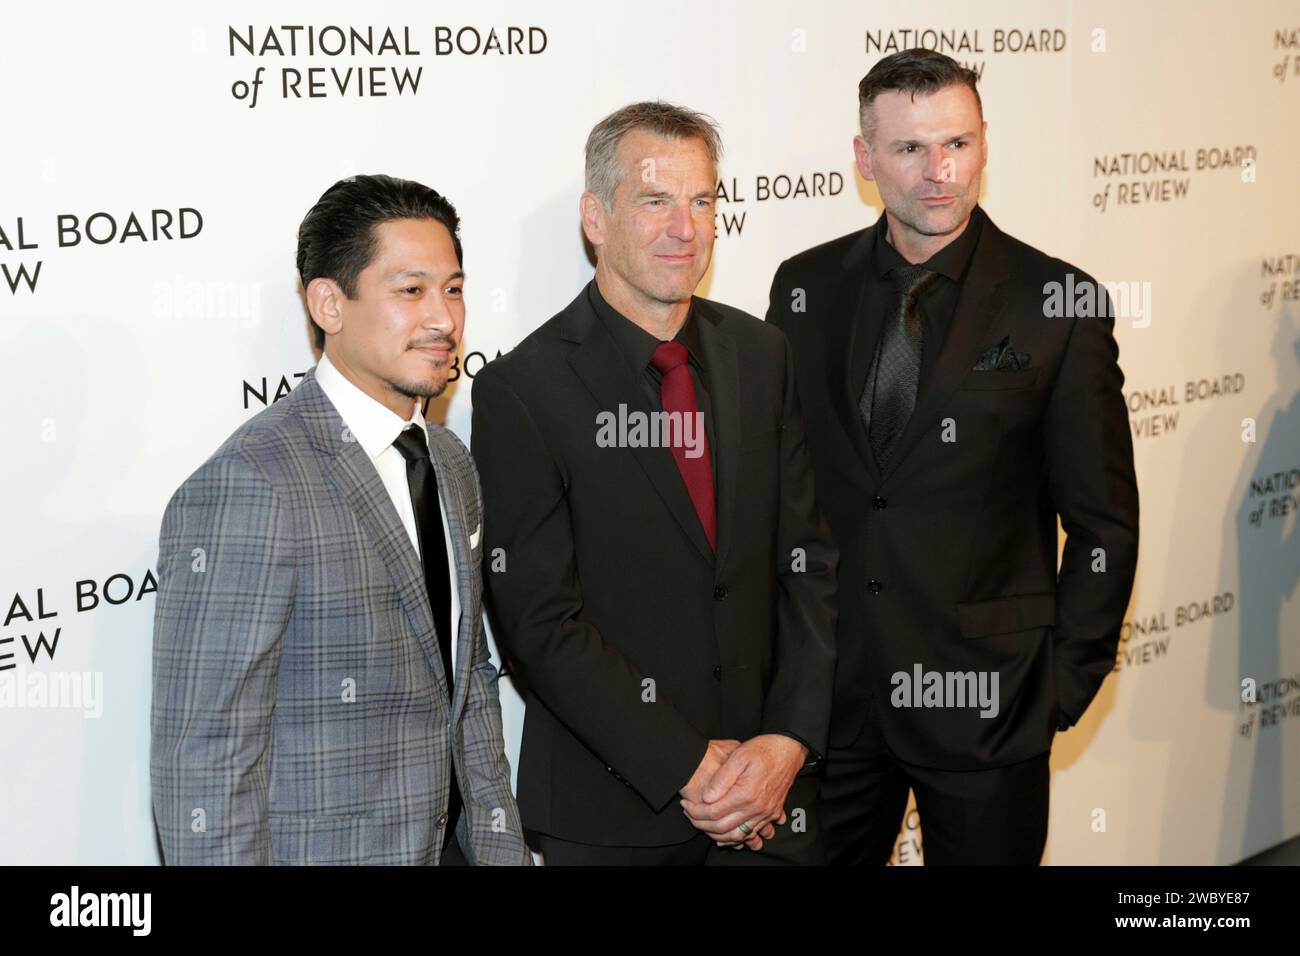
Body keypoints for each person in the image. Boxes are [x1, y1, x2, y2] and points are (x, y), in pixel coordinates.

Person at [767, 50, 1139, 864]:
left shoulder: (1058, 304)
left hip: (991, 709)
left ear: (984, 143)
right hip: (833, 708)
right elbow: (788, 493)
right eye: (910, 149)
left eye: (958, 144)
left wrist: (1056, 689)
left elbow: (1105, 525)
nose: (940, 172)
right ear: (865, 158)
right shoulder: (805, 288)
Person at [472, 101, 838, 865]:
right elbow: (539, 623)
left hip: (770, 803)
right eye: (655, 201)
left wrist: (788, 738)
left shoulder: (761, 355)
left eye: (701, 201)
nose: (685, 228)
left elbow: (806, 563)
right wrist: (687, 764)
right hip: (613, 814)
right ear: (595, 218)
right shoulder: (525, 389)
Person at [150, 174, 530, 865]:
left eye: (453, 289)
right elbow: (206, 759)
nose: (444, 319)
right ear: (329, 303)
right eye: (410, 290)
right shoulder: (253, 483)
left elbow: (469, 679)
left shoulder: (449, 461)